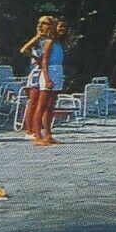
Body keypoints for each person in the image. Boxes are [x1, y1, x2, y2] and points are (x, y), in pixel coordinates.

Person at [31, 17, 67, 146]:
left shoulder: (59, 43)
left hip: (57, 72)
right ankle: (37, 136)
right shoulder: (49, 42)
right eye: (60, 27)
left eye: (64, 27)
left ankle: (48, 134)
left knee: (51, 106)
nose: (62, 29)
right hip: (49, 73)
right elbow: (44, 61)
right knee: (41, 105)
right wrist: (47, 79)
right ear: (54, 28)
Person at [17, 15, 52, 140]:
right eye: (45, 23)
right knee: (33, 101)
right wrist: (36, 58)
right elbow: (24, 49)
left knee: (40, 102)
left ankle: (35, 127)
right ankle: (29, 129)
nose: (46, 26)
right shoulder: (38, 38)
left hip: (43, 72)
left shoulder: (49, 39)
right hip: (36, 72)